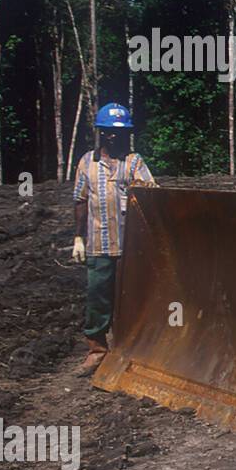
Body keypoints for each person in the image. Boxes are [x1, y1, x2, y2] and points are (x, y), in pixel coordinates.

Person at [71, 103, 156, 376]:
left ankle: (131, 349)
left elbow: (150, 196)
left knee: (131, 297)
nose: (115, 137)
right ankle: (97, 350)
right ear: (102, 133)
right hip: (99, 244)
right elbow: (80, 200)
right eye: (109, 132)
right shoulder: (87, 162)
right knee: (98, 296)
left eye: (121, 133)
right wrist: (78, 238)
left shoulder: (134, 162)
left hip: (130, 246)